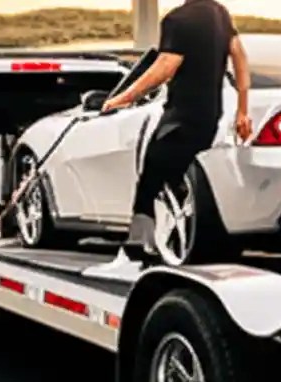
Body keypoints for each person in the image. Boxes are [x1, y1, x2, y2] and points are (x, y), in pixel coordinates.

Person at [100, 0, 253, 262]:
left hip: (180, 118)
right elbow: (239, 57)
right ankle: (169, 241)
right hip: (210, 116)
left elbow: (165, 66)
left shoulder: (177, 19)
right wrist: (242, 110)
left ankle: (136, 250)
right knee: (177, 176)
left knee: (150, 181)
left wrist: (123, 98)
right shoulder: (219, 14)